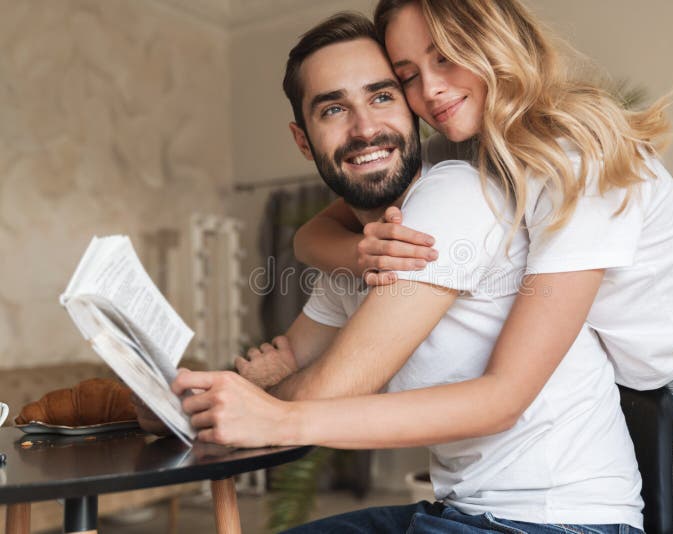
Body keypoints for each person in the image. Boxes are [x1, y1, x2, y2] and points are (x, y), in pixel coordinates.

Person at [291, 1, 673, 533]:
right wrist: (359, 251)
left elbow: (505, 394)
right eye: (409, 76)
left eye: (446, 58)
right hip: (646, 395)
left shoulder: (575, 157)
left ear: (494, 42)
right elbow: (313, 232)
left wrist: (289, 417)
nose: (431, 90)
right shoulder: (462, 150)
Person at [169, 12, 645, 533]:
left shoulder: (453, 196)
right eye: (333, 109)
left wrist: (230, 407)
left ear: (412, 111)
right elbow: (287, 360)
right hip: (467, 512)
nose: (364, 128)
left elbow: (322, 390)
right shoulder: (362, 249)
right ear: (303, 140)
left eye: (381, 97)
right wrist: (176, 402)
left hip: (554, 522)